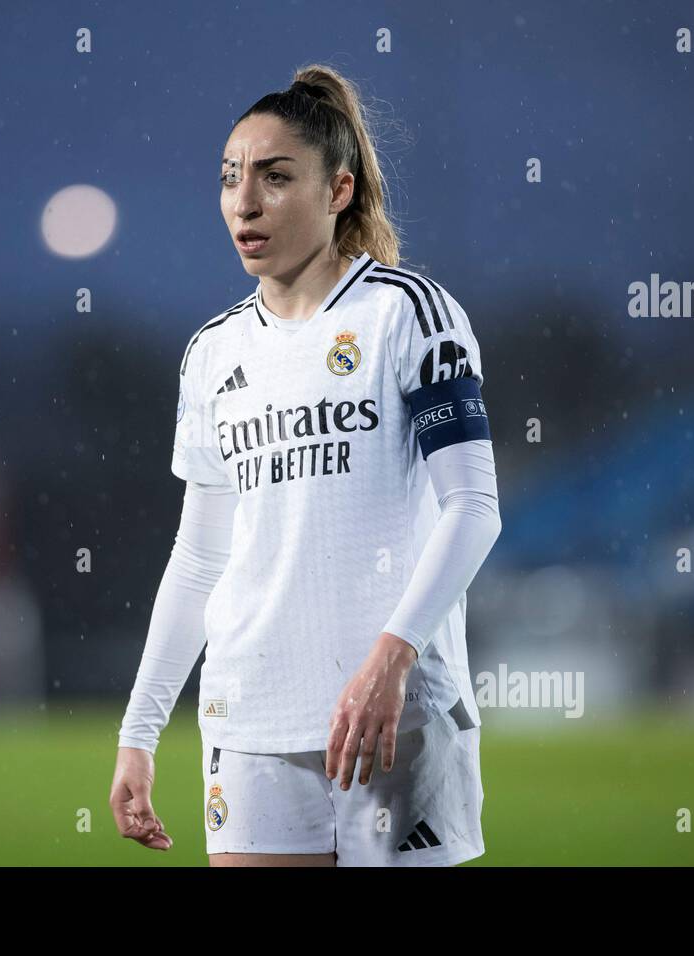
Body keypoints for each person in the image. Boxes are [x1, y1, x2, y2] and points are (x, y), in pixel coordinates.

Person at [109, 64, 502, 867]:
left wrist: (390, 661)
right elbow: (199, 560)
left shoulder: (407, 315)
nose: (243, 202)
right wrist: (139, 732)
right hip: (249, 719)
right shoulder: (212, 355)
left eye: (274, 177)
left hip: (393, 718)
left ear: (339, 191)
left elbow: (474, 509)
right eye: (230, 179)